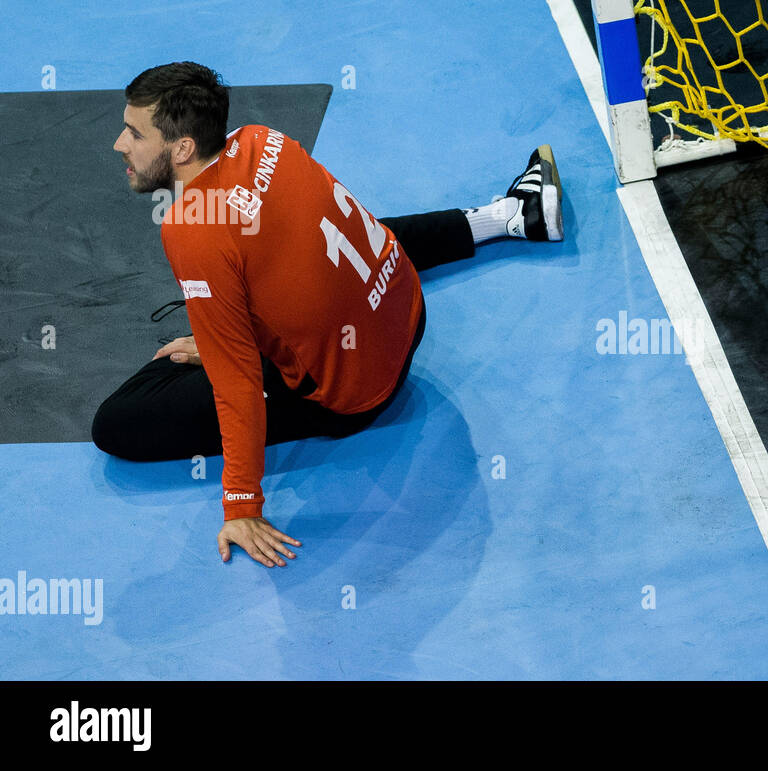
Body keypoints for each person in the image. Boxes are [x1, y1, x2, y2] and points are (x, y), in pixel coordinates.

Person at [91, 62, 563, 568]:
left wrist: (242, 504)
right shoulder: (261, 139)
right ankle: (510, 216)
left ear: (183, 148)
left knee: (118, 421)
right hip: (404, 308)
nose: (120, 143)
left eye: (135, 133)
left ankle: (507, 219)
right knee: (322, 235)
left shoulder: (191, 230)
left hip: (357, 394)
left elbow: (237, 383)